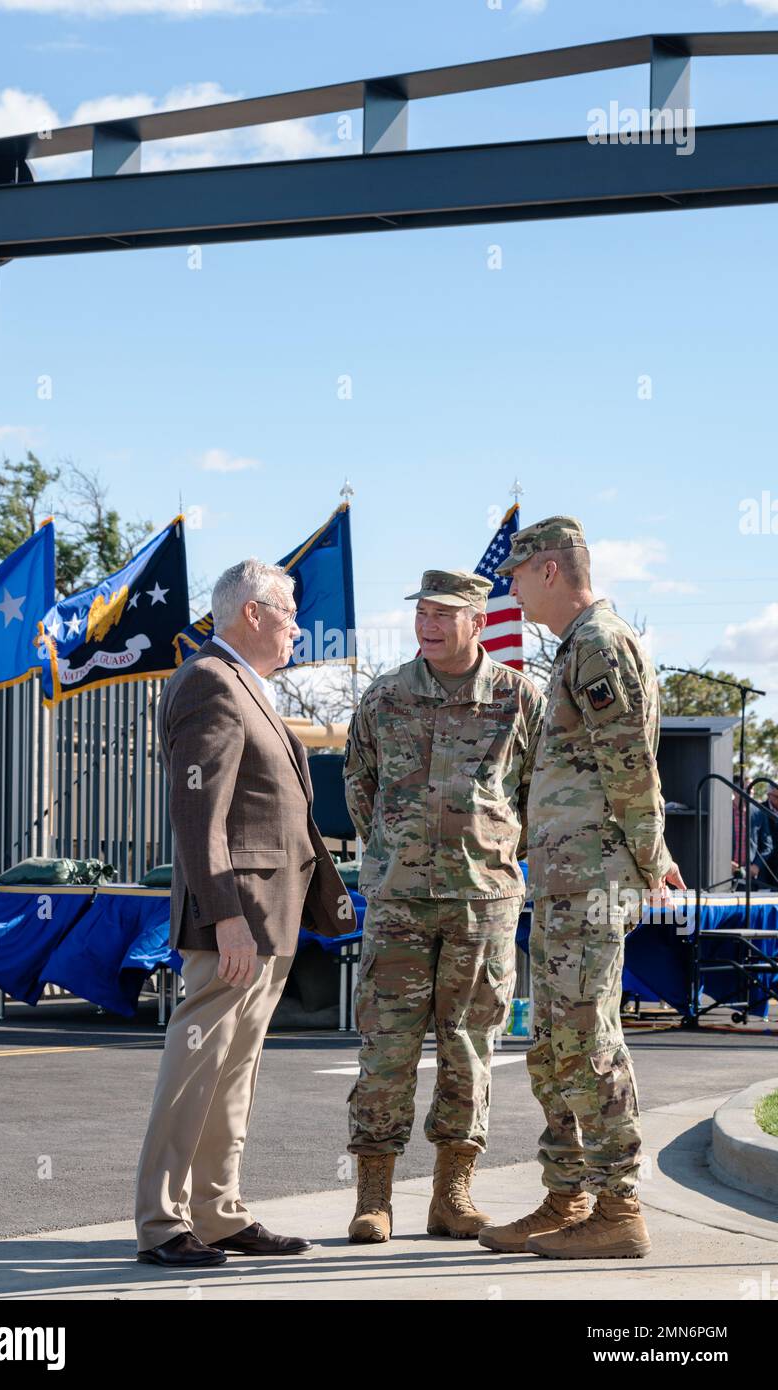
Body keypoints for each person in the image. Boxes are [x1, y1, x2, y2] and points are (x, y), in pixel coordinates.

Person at [135, 558, 356, 1268]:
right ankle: (163, 1223)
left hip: (271, 915)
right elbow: (200, 816)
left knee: (234, 1070)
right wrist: (225, 914)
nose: (298, 624)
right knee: (196, 1066)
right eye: (289, 610)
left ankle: (218, 1211)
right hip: (235, 916)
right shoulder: (209, 681)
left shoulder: (243, 684)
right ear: (252, 614)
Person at [479, 517, 685, 1261]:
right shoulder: (579, 645)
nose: (511, 591)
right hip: (571, 876)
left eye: (518, 577)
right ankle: (568, 1197)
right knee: (558, 1041)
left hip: (593, 878)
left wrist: (650, 858)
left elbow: (629, 762)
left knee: (587, 1039)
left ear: (551, 572)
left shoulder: (599, 644)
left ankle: (618, 1207)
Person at [343, 569, 545, 1242]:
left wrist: (488, 848)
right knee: (386, 1047)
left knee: (469, 1048)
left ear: (477, 622)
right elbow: (359, 784)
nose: (427, 624)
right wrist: (400, 851)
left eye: (443, 614)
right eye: (422, 611)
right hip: (398, 900)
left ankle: (452, 1195)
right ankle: (373, 1198)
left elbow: (539, 793)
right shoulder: (384, 698)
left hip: (483, 901)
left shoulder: (520, 700)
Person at [731, 778, 773, 889]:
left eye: (753, 788)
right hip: (725, 875)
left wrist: (757, 866)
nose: (751, 791)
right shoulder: (723, 811)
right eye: (748, 788)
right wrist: (726, 862)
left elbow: (767, 846)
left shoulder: (759, 812)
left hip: (751, 878)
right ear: (735, 791)